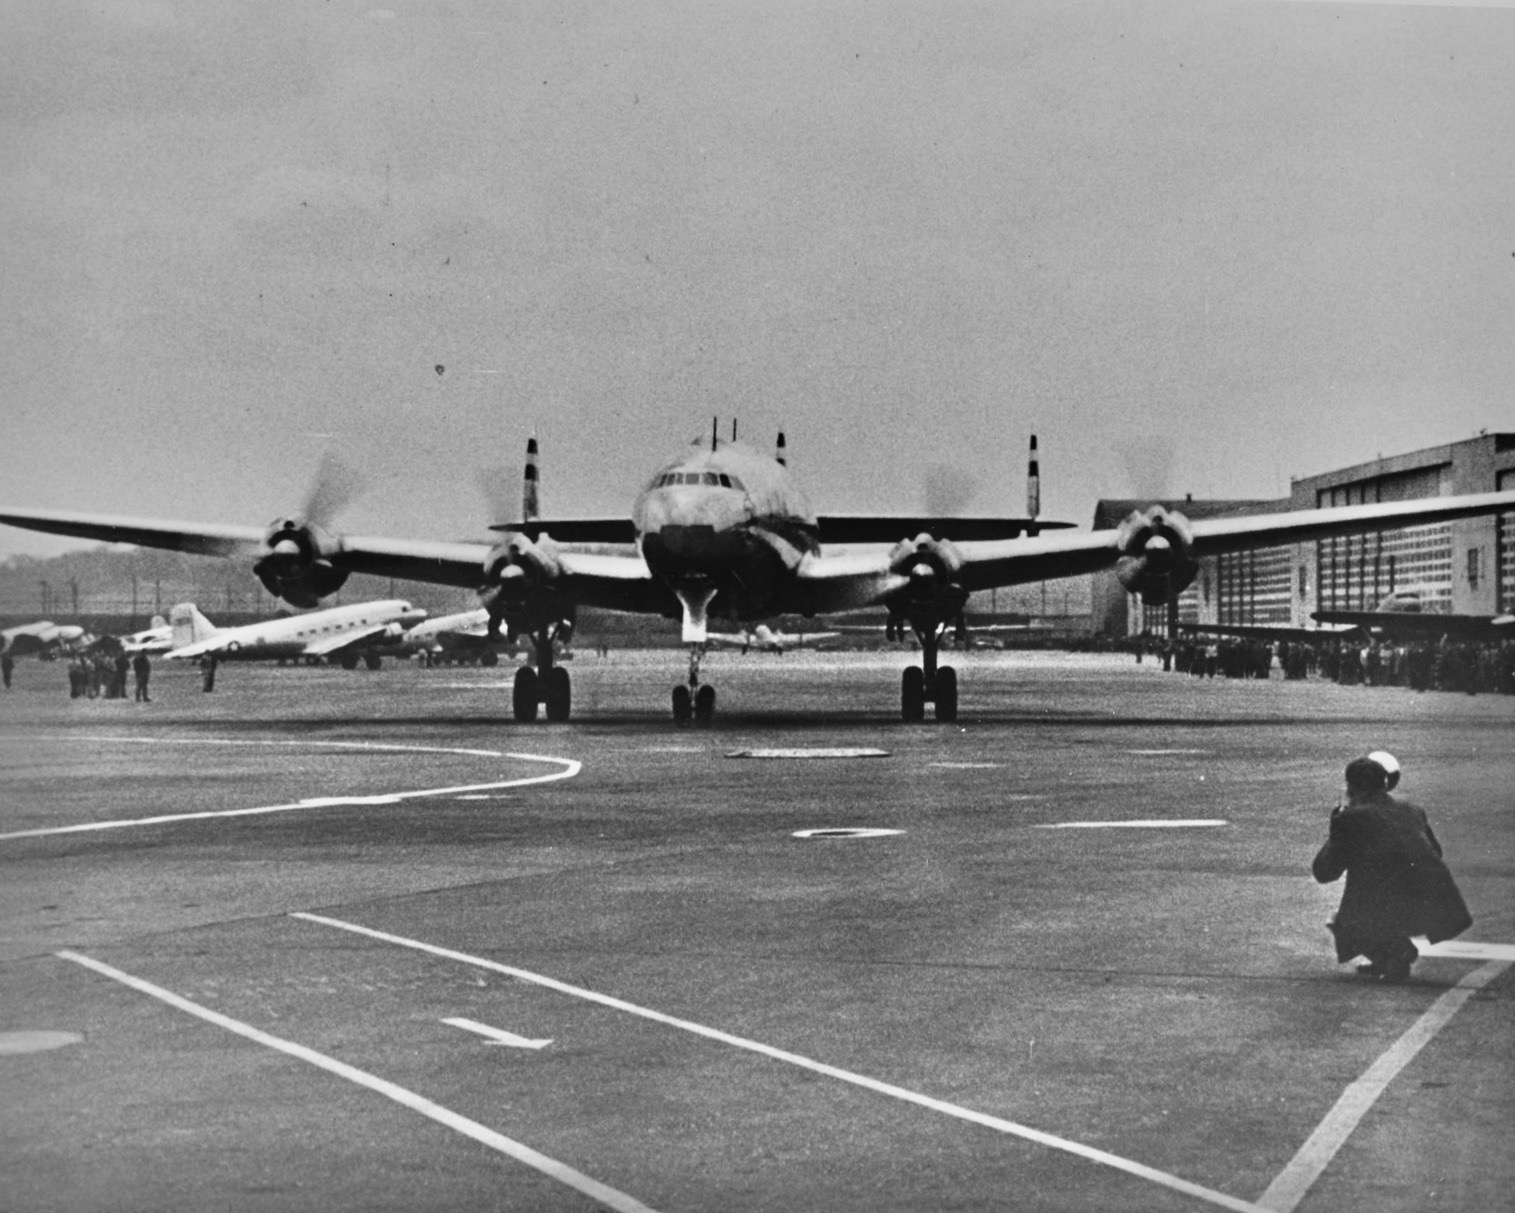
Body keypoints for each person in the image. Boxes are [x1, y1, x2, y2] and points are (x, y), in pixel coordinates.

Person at [1312, 754, 1472, 983]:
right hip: (1436, 902)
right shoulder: (1412, 809)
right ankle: (1388, 955)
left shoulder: (1350, 818)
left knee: (1343, 922)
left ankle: (1395, 952)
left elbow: (1325, 871)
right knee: (1377, 891)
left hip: (1394, 905)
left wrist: (1337, 824)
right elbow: (1436, 852)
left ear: (1352, 787)